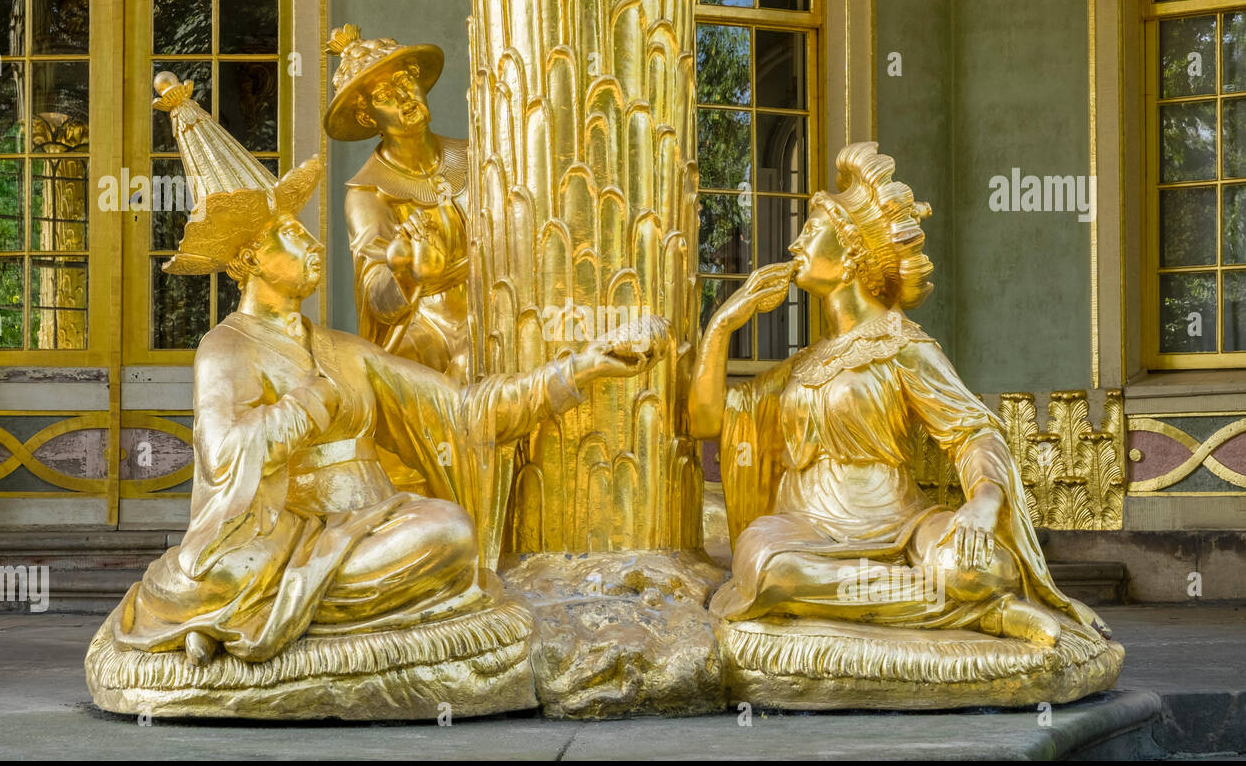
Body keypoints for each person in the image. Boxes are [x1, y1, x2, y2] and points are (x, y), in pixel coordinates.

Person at [112, 74, 671, 666]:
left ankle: (257, 614)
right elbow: (225, 455)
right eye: (293, 236)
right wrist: (309, 404)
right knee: (211, 572)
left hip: (371, 524)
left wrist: (582, 367)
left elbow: (463, 408)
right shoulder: (225, 348)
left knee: (449, 532)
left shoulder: (344, 349)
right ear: (250, 258)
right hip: (278, 533)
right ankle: (247, 606)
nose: (313, 247)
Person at [687, 142, 1112, 648]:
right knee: (763, 567)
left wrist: (983, 501)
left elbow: (972, 432)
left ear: (848, 257)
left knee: (978, 565)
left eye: (809, 233)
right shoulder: (801, 366)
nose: (795, 245)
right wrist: (722, 326)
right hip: (803, 531)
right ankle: (973, 611)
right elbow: (706, 422)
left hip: (902, 524)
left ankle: (961, 596)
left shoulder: (904, 347)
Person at [324, 24, 472, 382]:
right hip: (427, 324)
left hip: (494, 301)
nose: (405, 97)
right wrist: (409, 272)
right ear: (366, 116)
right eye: (385, 95)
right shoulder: (367, 193)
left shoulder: (474, 156)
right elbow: (377, 299)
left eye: (406, 82)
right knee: (471, 360)